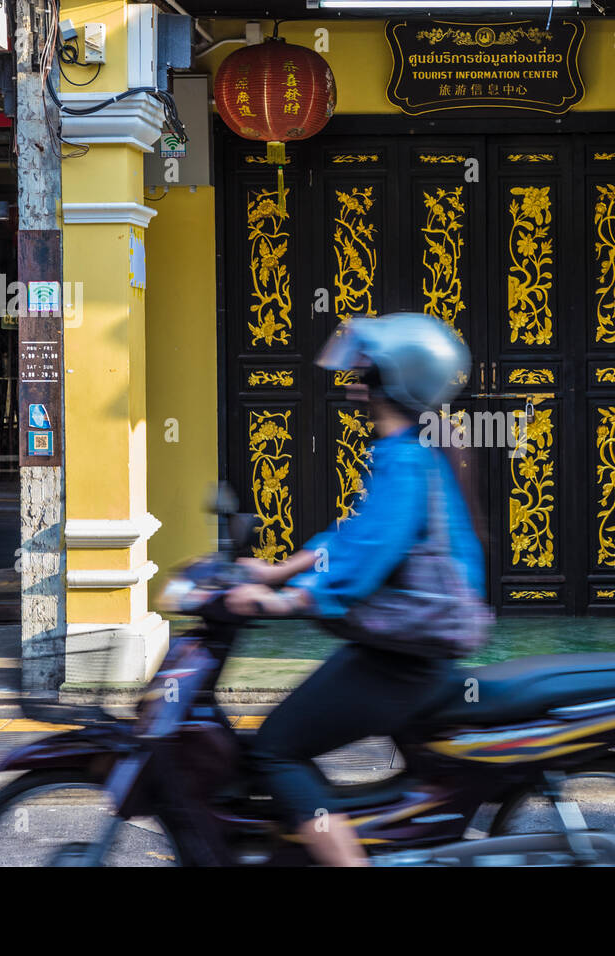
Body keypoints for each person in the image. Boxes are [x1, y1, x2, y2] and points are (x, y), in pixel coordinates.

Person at [223, 313, 486, 866]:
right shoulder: (402, 453)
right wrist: (274, 571)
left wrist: (284, 599)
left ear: (392, 385)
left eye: (363, 374)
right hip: (399, 649)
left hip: (405, 659)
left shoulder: (406, 462)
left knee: (274, 749)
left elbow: (362, 565)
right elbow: (352, 540)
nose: (350, 383)